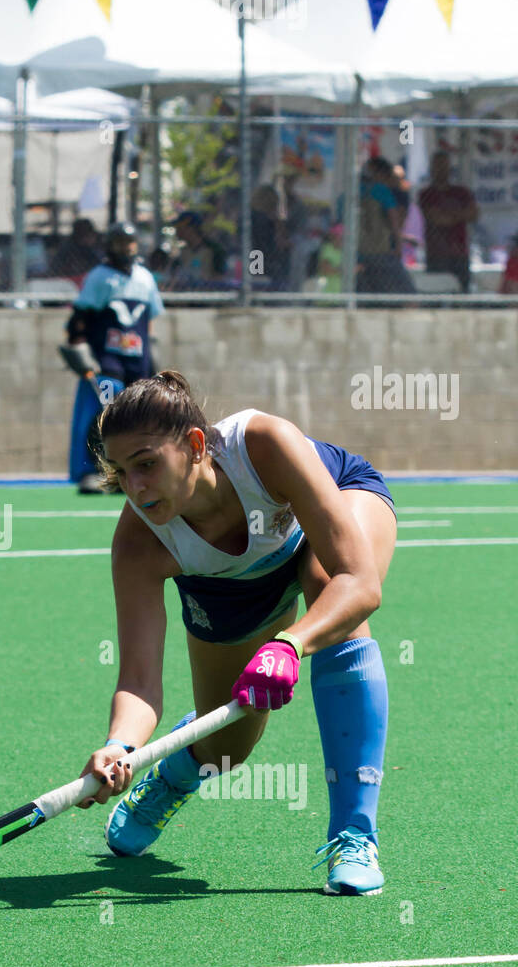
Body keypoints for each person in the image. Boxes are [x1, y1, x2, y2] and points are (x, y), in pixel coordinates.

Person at [78, 371, 395, 896]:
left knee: (331, 595)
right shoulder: (140, 542)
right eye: (123, 472)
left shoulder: (263, 445)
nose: (135, 487)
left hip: (325, 520)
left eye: (148, 464)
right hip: (228, 588)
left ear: (196, 445)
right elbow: (139, 680)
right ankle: (175, 774)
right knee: (227, 746)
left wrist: (289, 644)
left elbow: (358, 583)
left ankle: (354, 836)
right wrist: (121, 745)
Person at [64, 223, 164, 493]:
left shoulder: (145, 278)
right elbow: (79, 319)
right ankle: (89, 472)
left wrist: (152, 362)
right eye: (120, 242)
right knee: (100, 414)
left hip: (136, 364)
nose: (126, 248)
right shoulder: (99, 277)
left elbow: (148, 323)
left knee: (135, 419)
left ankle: (124, 475)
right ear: (110, 246)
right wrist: (79, 350)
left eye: (130, 242)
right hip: (106, 362)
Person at [417, 151, 479, 293]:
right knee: (436, 292)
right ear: (432, 168)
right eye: (438, 165)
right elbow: (437, 219)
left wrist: (449, 215)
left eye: (445, 165)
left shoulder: (462, 192)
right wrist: (460, 215)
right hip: (436, 254)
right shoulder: (426, 194)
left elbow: (474, 214)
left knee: (462, 292)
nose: (441, 169)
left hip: (460, 253)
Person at [357, 158, 415, 295]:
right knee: (408, 295)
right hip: (381, 253)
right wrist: (399, 245)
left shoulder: (351, 191)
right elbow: (395, 222)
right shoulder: (381, 191)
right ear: (380, 174)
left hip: (356, 254)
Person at [167, 210, 227, 289]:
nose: (177, 231)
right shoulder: (182, 252)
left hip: (210, 296)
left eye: (180, 227)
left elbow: (221, 276)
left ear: (191, 229)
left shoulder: (214, 250)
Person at [250, 185, 290, 290]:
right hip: (260, 257)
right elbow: (277, 241)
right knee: (260, 282)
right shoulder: (263, 219)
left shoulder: (251, 216)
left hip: (256, 256)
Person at [50, 219, 103, 284]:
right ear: (85, 237)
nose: (94, 238)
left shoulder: (92, 250)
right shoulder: (72, 251)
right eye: (91, 235)